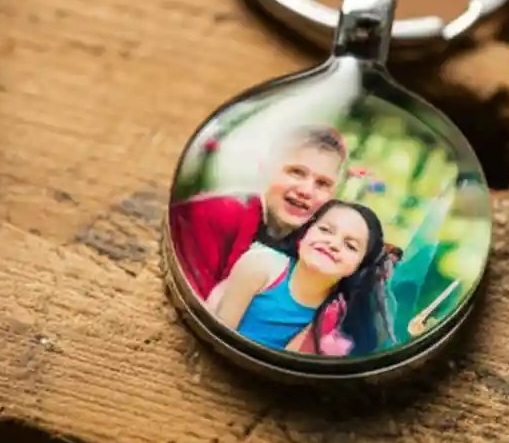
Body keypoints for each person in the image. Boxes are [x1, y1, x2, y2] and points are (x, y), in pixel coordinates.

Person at [169, 125, 346, 300]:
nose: (306, 191)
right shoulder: (215, 213)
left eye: (322, 183)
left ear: (333, 196)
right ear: (265, 169)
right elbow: (195, 299)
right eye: (297, 172)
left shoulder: (317, 250)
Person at [206, 200, 396, 356]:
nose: (333, 243)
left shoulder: (337, 317)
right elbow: (217, 339)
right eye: (325, 230)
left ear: (358, 268)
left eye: (350, 246)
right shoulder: (261, 265)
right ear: (304, 233)